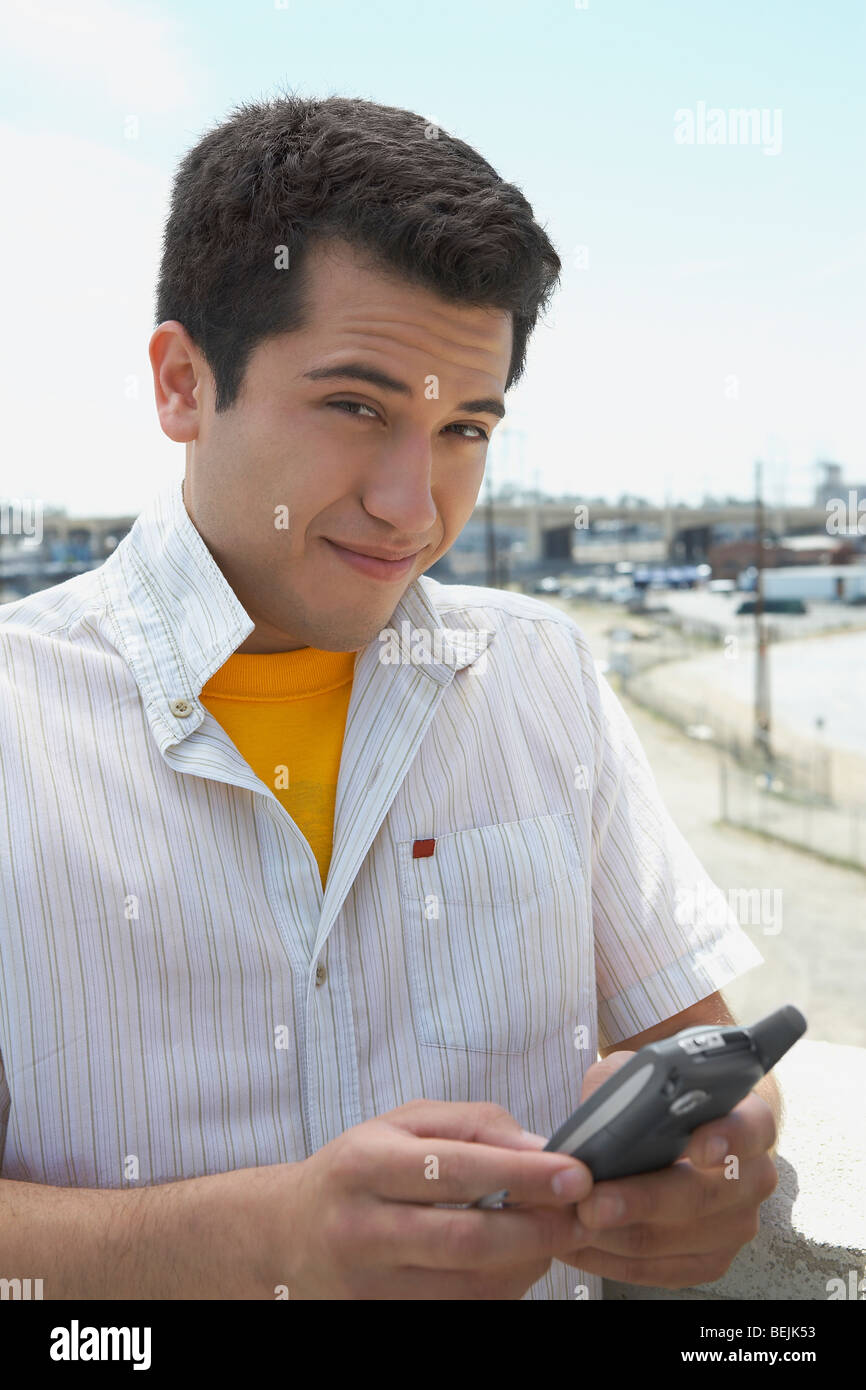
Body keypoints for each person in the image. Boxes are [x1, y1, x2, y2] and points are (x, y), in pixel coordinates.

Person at [0, 93, 779, 1301]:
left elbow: (686, 1038)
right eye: (356, 406)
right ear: (180, 384)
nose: (415, 508)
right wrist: (266, 1240)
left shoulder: (541, 675)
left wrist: (720, 1153)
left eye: (464, 426)